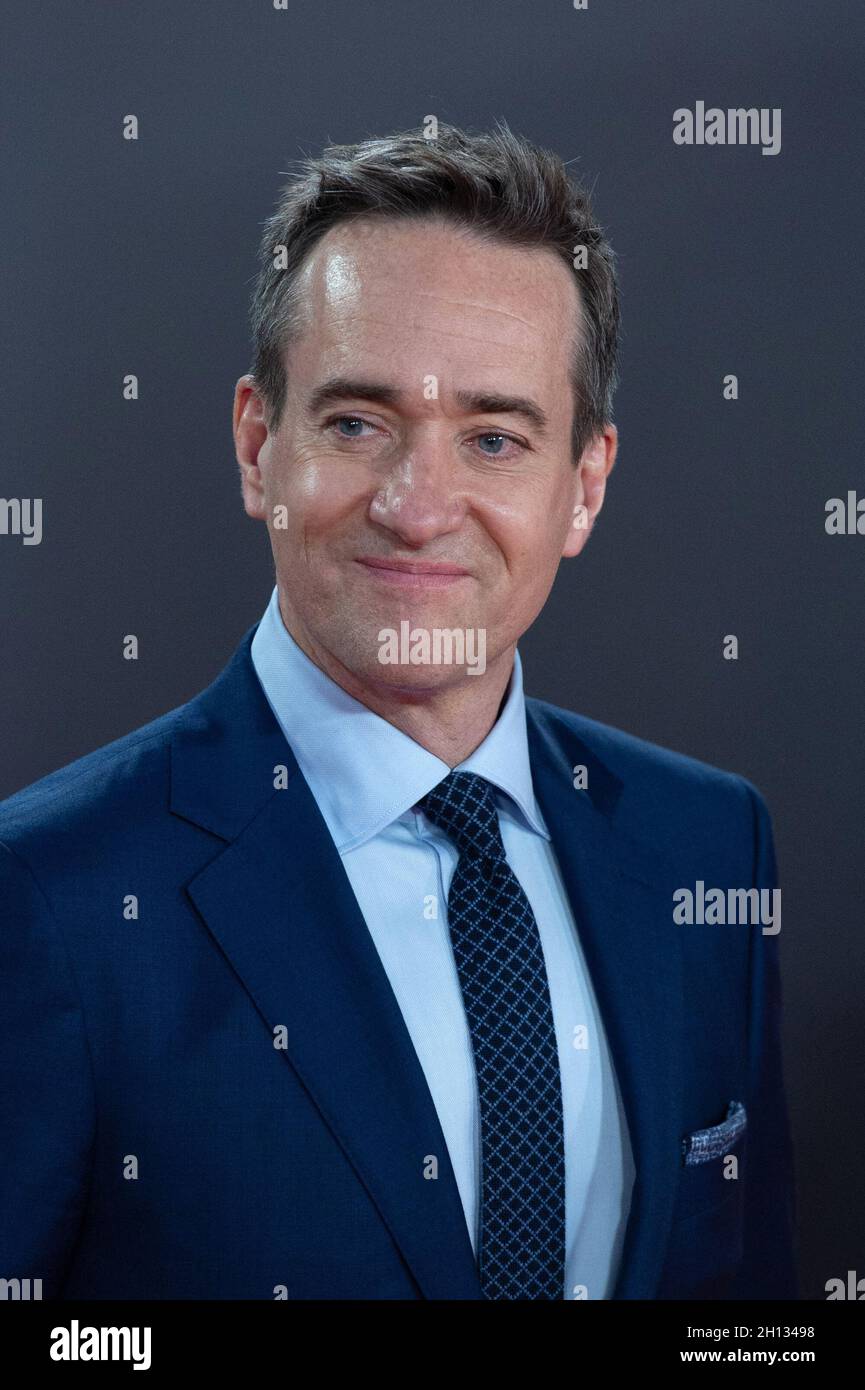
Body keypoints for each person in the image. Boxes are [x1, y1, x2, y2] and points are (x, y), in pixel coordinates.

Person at [0, 123, 797, 1300]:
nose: (420, 508)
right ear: (258, 446)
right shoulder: (48, 897)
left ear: (582, 486)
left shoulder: (707, 844)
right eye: (358, 423)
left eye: (492, 437)